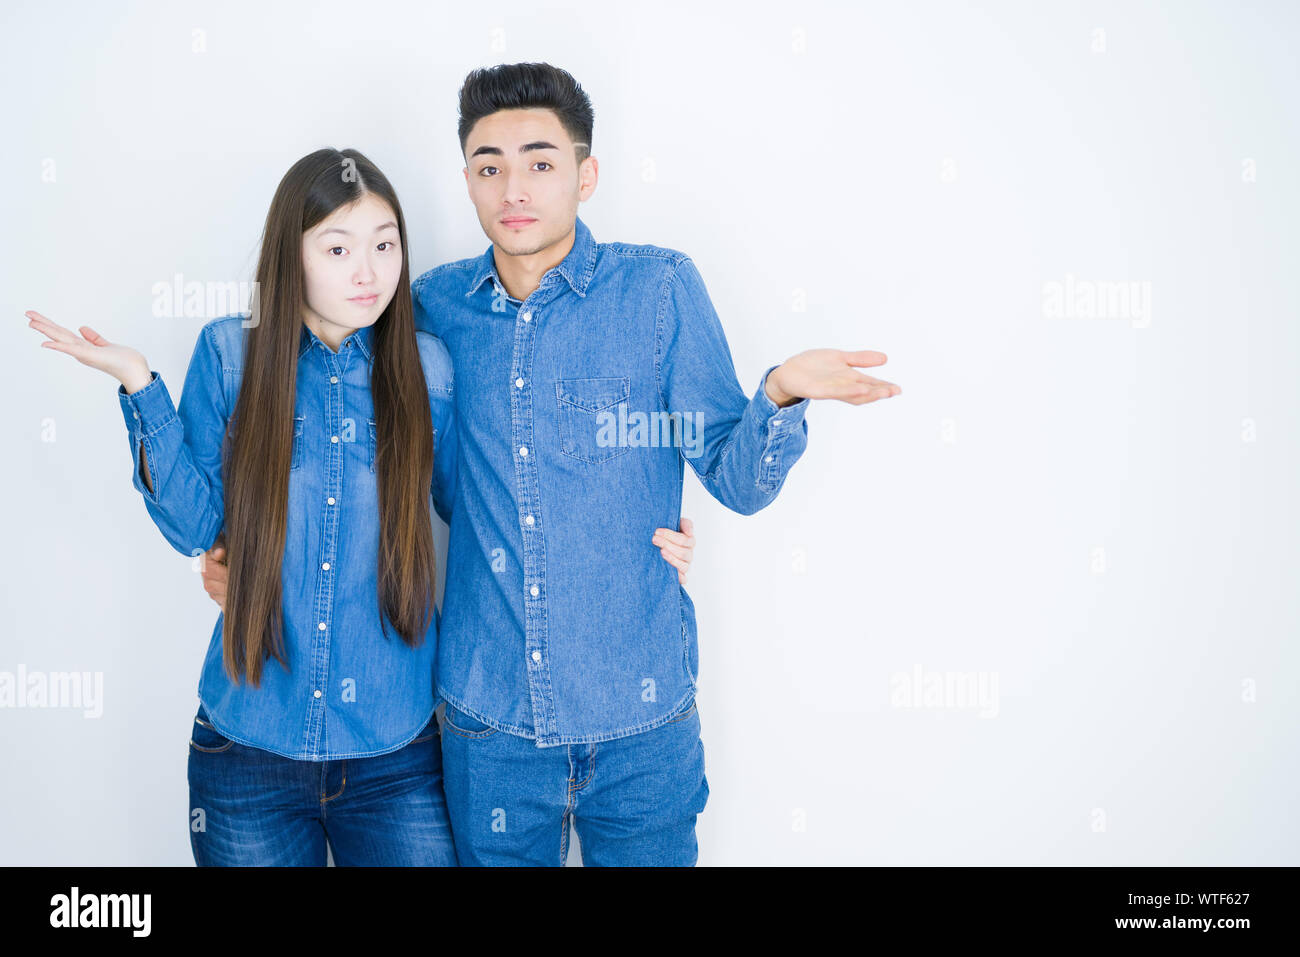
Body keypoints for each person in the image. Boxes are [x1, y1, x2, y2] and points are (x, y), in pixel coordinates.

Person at [27, 145, 699, 866]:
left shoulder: (426, 366)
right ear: (294, 254)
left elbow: (479, 508)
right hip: (247, 746)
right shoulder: (231, 354)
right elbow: (196, 525)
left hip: (396, 757)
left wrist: (628, 530)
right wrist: (138, 386)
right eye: (338, 247)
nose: (367, 271)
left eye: (385, 246)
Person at [404, 62, 903, 866]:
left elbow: (734, 482)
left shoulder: (660, 290)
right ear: (466, 179)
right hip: (487, 720)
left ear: (585, 174)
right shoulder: (434, 306)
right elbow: (375, 457)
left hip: (641, 730)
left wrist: (775, 395)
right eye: (489, 166)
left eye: (540, 161)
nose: (513, 187)